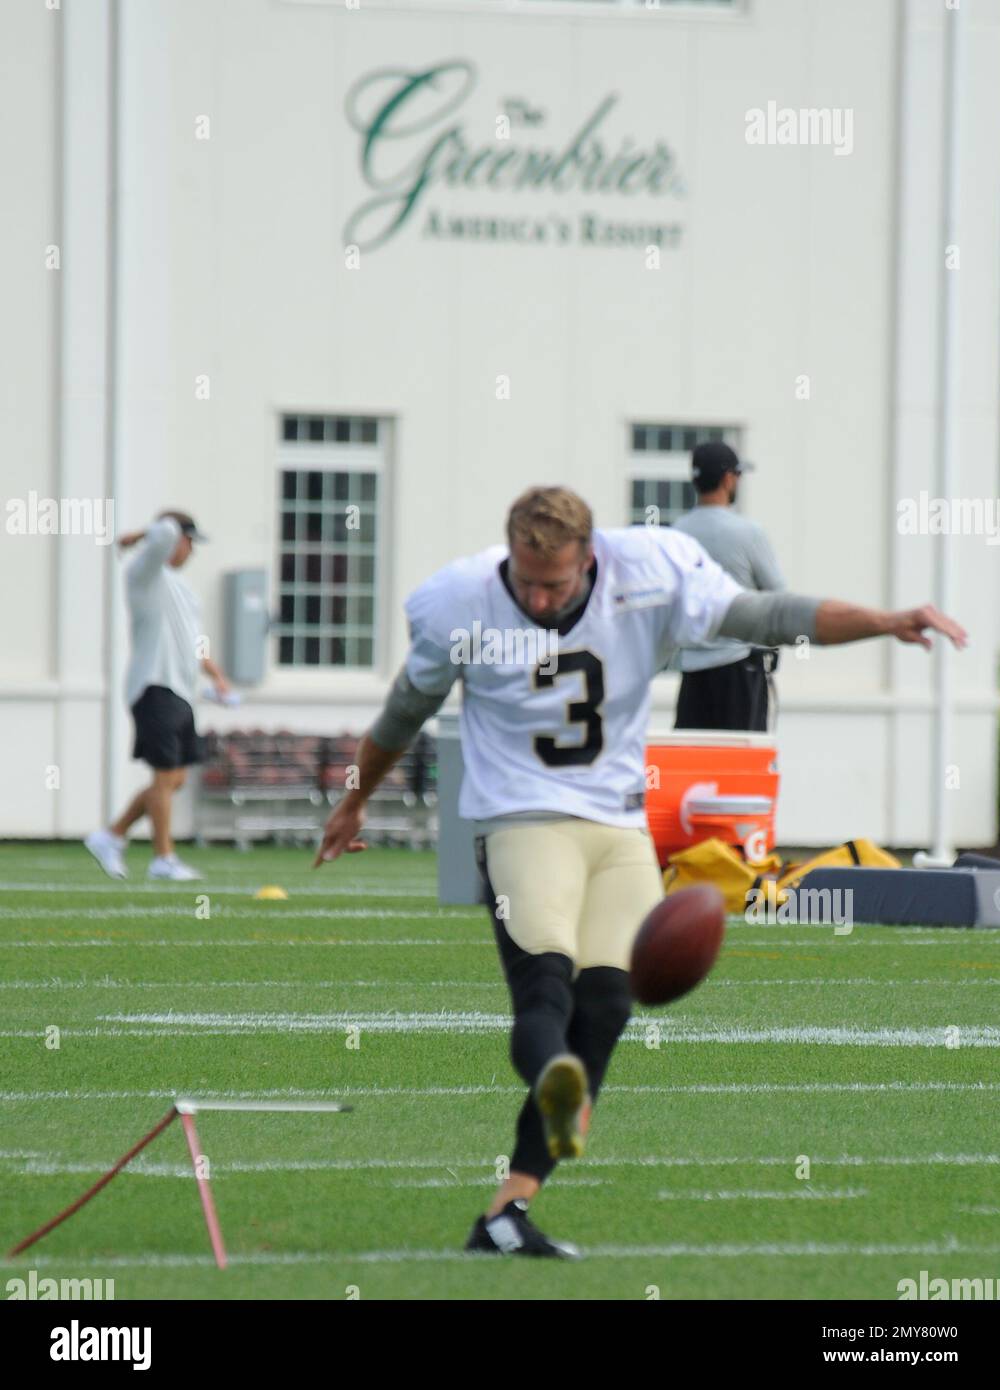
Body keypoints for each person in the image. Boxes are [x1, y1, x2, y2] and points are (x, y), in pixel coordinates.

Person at [313, 486, 965, 1258]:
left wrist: (884, 621)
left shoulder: (648, 571)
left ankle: (506, 1212)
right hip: (522, 820)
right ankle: (556, 1077)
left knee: (610, 1005)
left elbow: (772, 615)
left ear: (592, 557)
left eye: (556, 582)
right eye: (527, 581)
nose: (541, 596)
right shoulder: (463, 600)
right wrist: (355, 801)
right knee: (545, 985)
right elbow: (401, 715)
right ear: (508, 557)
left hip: (619, 824)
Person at [85, 511, 232, 882]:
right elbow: (165, 530)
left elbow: (194, 645)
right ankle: (163, 858)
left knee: (174, 780)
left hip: (182, 693)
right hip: (153, 686)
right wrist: (139, 535)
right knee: (165, 778)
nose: (191, 551)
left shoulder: (185, 592)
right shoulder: (144, 573)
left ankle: (111, 835)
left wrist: (216, 677)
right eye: (190, 541)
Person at [673, 441, 786, 730]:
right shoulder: (748, 532)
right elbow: (779, 598)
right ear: (728, 479)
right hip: (739, 671)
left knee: (695, 766)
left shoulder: (677, 533)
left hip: (692, 671)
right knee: (741, 763)